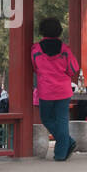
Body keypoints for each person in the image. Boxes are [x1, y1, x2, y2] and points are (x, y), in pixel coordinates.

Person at [32, 17, 80, 161]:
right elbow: (73, 69)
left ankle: (67, 144)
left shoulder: (36, 49)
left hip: (46, 90)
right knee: (62, 121)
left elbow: (34, 67)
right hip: (63, 90)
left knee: (46, 119)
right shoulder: (65, 49)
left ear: (42, 30)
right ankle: (61, 152)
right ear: (59, 31)